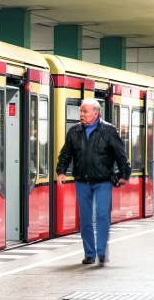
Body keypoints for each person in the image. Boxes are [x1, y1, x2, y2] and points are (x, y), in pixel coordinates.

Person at [55, 98, 130, 265]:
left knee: (102, 216)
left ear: (96, 113)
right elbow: (65, 154)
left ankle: (101, 252)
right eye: (81, 111)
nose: (81, 114)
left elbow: (120, 155)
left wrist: (124, 173)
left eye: (85, 111)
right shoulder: (74, 132)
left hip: (103, 181)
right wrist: (61, 172)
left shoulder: (109, 131)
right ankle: (89, 253)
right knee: (85, 219)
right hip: (82, 181)